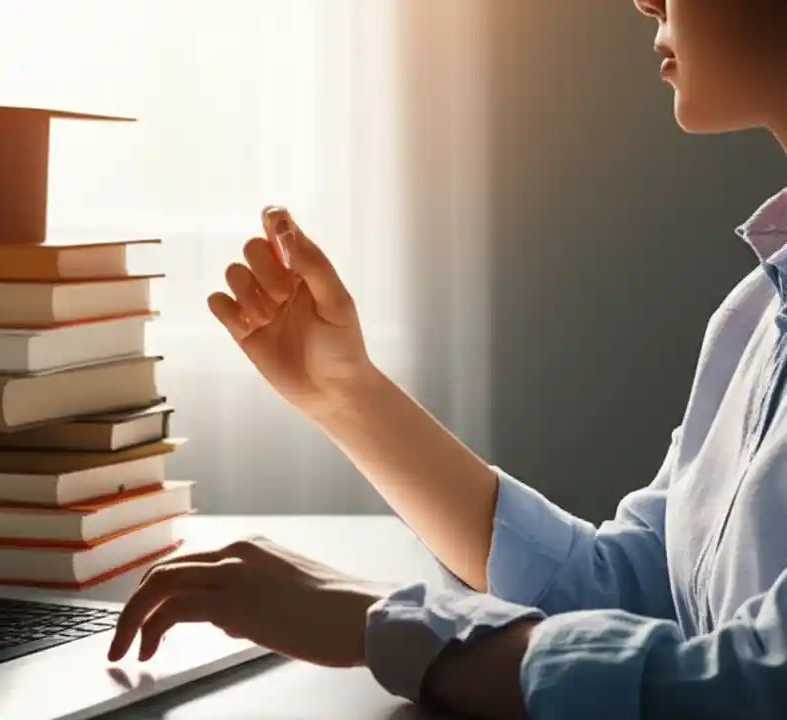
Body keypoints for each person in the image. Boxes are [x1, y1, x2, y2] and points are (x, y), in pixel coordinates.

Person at [107, 1, 787, 717]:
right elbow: (628, 592)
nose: (646, 0)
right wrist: (346, 396)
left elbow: (750, 686)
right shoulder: (754, 315)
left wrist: (380, 621)